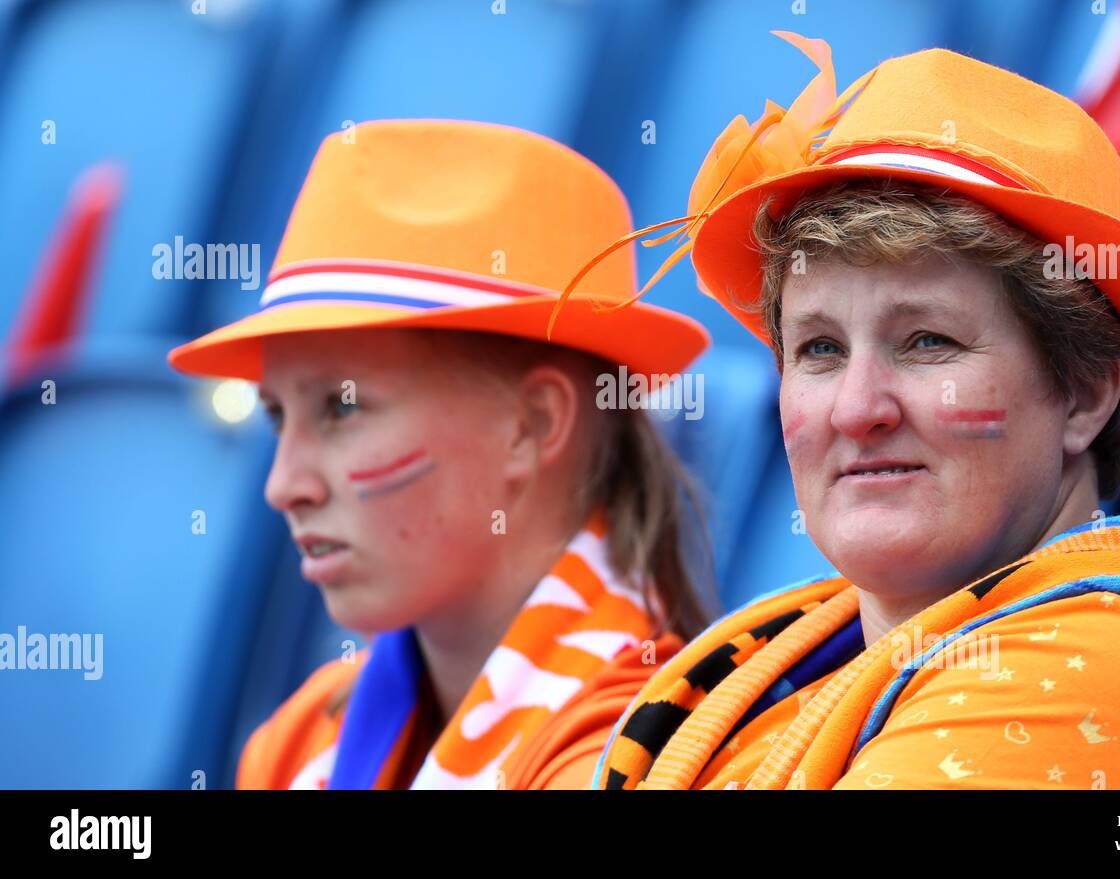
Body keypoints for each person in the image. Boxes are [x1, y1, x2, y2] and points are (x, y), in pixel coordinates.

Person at [582, 34, 1120, 790]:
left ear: (1085, 391)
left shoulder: (1106, 667)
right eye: (819, 349)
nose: (857, 409)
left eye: (928, 341)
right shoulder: (769, 657)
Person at [167, 119, 713, 789]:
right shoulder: (300, 741)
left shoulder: (645, 760)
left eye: (342, 407)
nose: (283, 485)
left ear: (531, 424)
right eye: (277, 415)